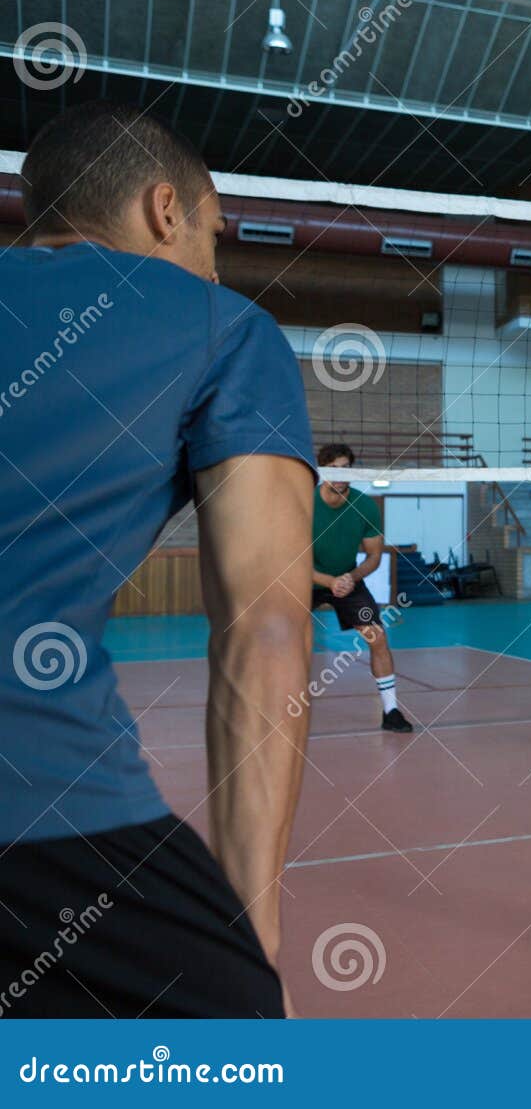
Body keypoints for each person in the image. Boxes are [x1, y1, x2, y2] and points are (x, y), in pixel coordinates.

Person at [0, 102, 315, 1016]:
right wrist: (249, 934)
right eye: (214, 233)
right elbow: (266, 626)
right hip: (42, 803)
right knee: (245, 1045)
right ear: (167, 209)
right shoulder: (223, 328)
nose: (216, 262)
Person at [311, 443, 413, 733]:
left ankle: (390, 711)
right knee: (283, 639)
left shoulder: (365, 505)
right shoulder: (303, 503)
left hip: (347, 578)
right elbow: (291, 562)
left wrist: (350, 578)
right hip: (306, 578)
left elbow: (373, 557)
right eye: (334, 469)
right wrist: (328, 581)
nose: (341, 475)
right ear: (321, 471)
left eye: (346, 468)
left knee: (377, 637)